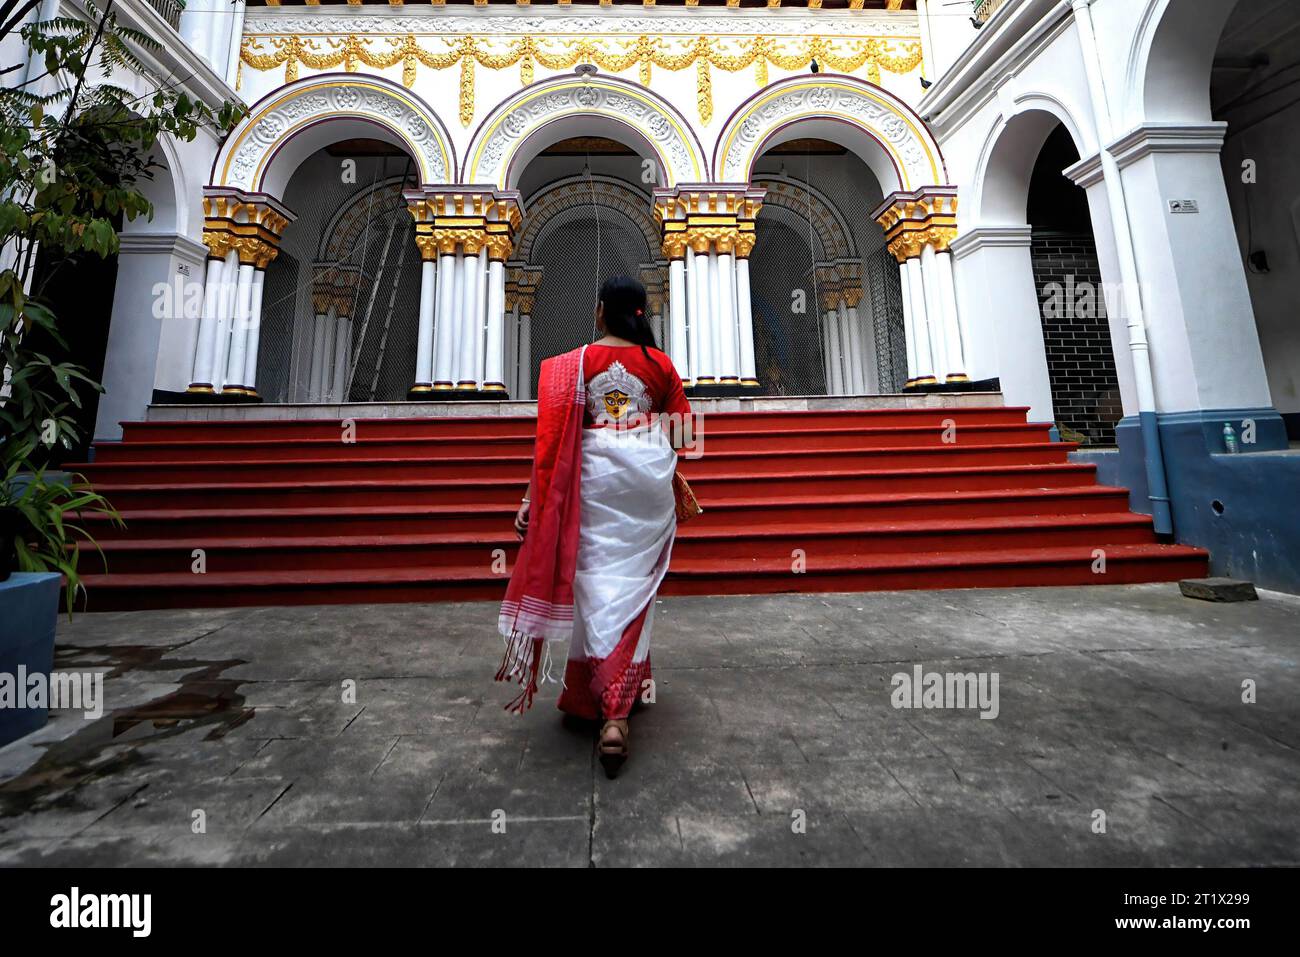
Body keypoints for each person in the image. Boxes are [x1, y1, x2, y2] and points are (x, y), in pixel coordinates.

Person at [496, 275, 692, 778]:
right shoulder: (662, 365)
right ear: (641, 314)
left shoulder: (572, 366)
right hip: (645, 492)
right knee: (632, 593)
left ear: (601, 310)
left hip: (591, 489)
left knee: (597, 589)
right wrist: (642, 434)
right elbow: (686, 438)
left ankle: (610, 711)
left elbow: (554, 446)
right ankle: (615, 702)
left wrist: (528, 497)